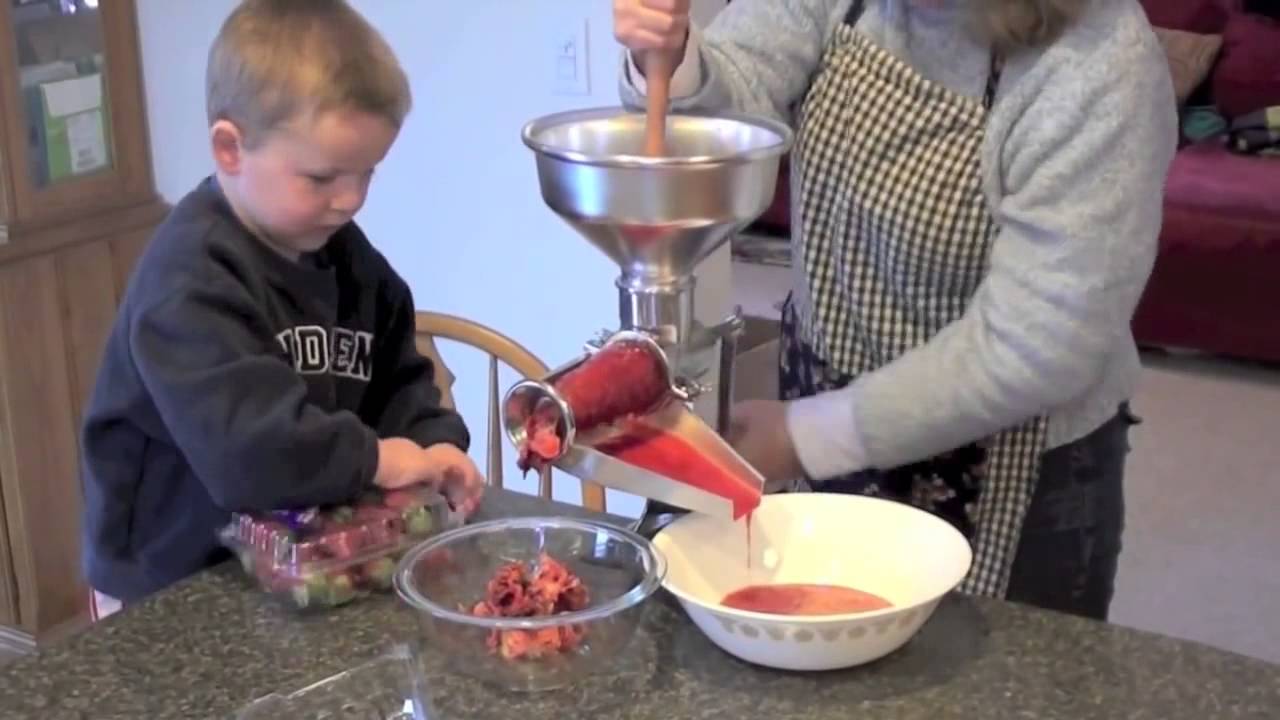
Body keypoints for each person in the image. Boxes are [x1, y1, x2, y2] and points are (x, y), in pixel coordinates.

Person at [615, 0, 1176, 620]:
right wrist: (676, 60)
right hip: (823, 415)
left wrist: (804, 435)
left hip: (1011, 467)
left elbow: (1037, 346)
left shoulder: (1099, 64)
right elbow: (735, 108)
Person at [80, 0, 484, 614]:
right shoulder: (189, 282)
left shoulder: (347, 260)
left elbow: (397, 376)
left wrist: (434, 441)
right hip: (168, 582)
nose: (350, 200)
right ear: (230, 149)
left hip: (296, 563)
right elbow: (251, 454)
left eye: (367, 173)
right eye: (322, 178)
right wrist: (378, 458)